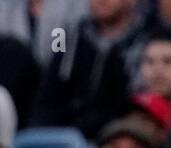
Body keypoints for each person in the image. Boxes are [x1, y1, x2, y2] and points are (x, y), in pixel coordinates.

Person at [30, 0, 150, 138]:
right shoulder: (66, 36)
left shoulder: (146, 39)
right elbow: (47, 96)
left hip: (123, 137)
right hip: (64, 139)